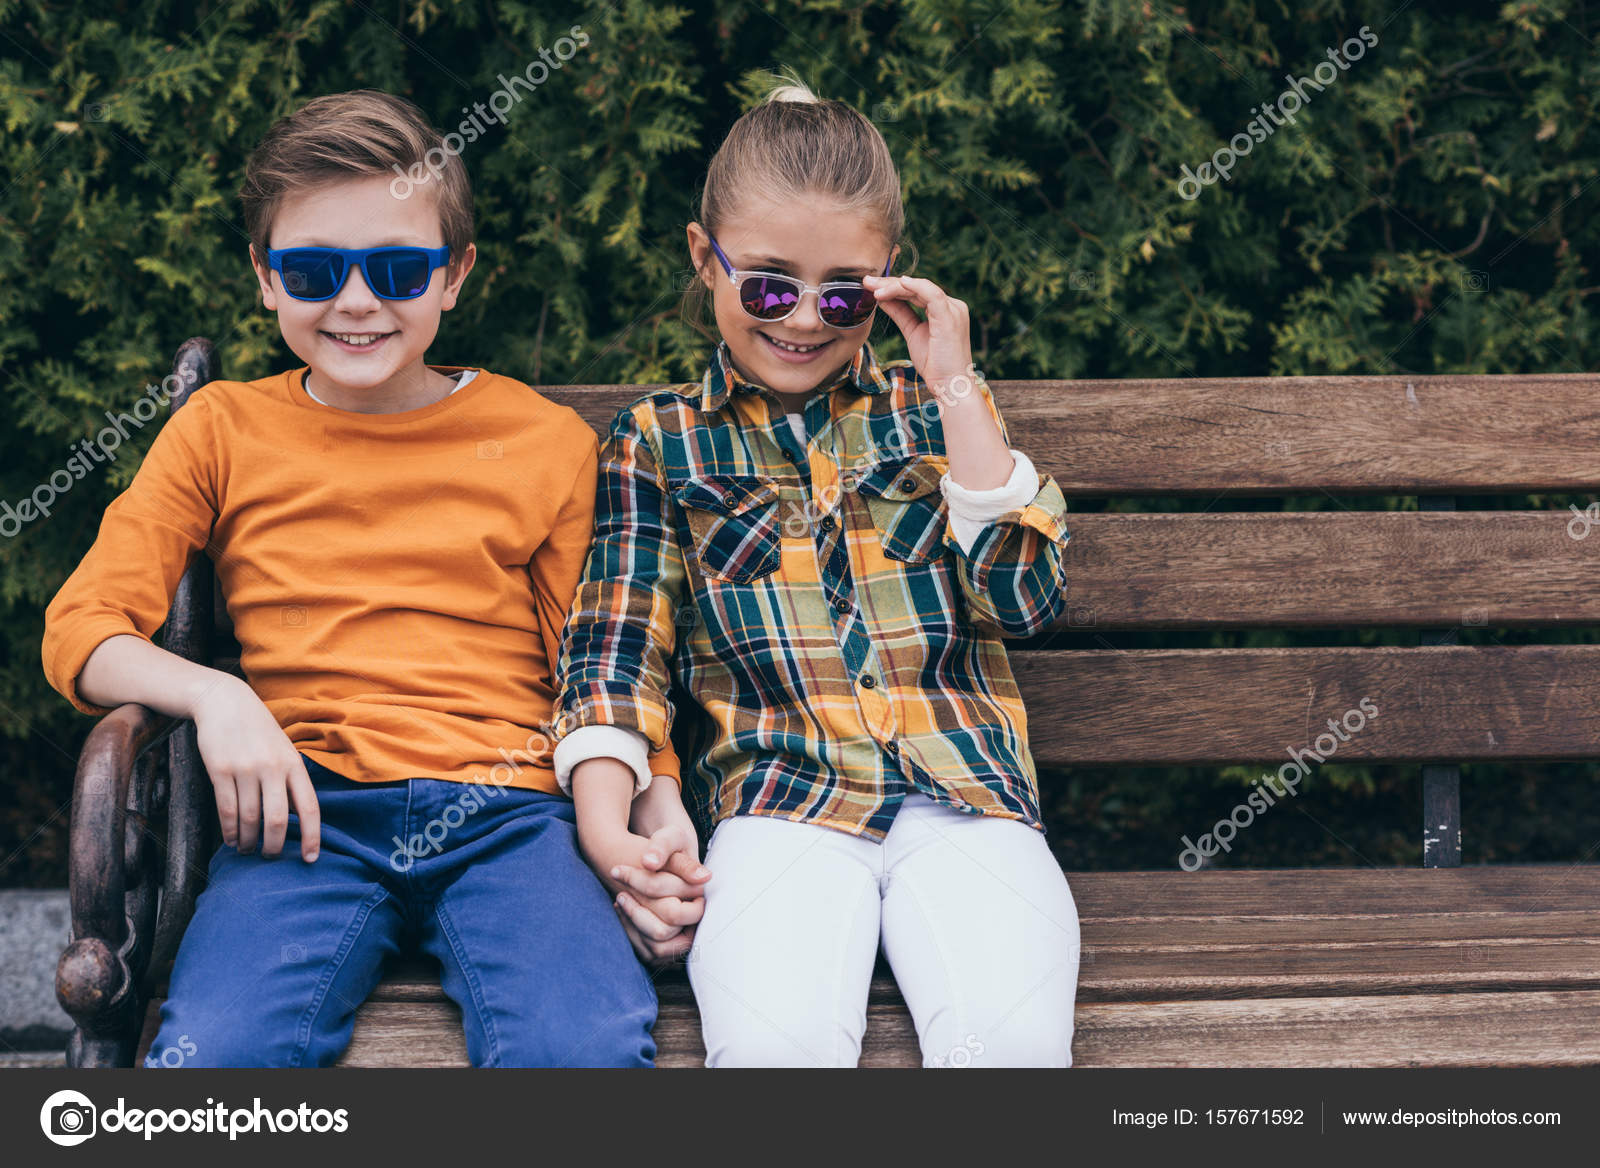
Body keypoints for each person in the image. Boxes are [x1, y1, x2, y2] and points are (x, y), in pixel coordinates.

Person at [41, 90, 700, 1068]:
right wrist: (213, 694)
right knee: (215, 1056)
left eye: (397, 268)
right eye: (312, 269)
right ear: (265, 277)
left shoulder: (544, 442)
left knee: (584, 1047)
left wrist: (655, 816)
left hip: (512, 820)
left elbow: (600, 663)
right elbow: (80, 628)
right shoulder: (221, 429)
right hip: (301, 822)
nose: (357, 300)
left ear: (455, 275)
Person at [552, 75, 1081, 1067]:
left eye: (841, 291)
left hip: (967, 797)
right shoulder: (658, 442)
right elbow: (618, 647)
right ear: (703, 257)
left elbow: (1026, 598)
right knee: (774, 1047)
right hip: (778, 802)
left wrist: (957, 389)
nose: (802, 318)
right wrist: (606, 827)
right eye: (766, 284)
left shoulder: (932, 417)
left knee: (1008, 1046)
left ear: (887, 281)